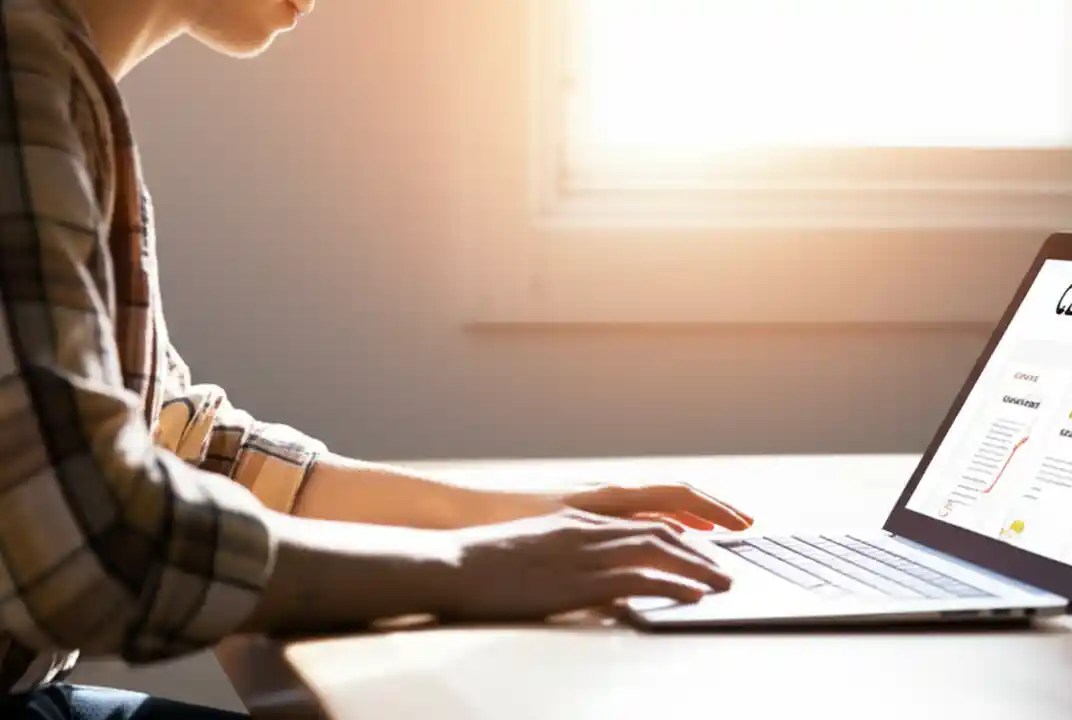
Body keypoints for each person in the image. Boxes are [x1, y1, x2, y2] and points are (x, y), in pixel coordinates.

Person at [0, 0, 754, 716]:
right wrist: (476, 571)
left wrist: (525, 517)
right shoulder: (18, 71)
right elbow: (95, 543)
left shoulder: (61, 79)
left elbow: (186, 446)